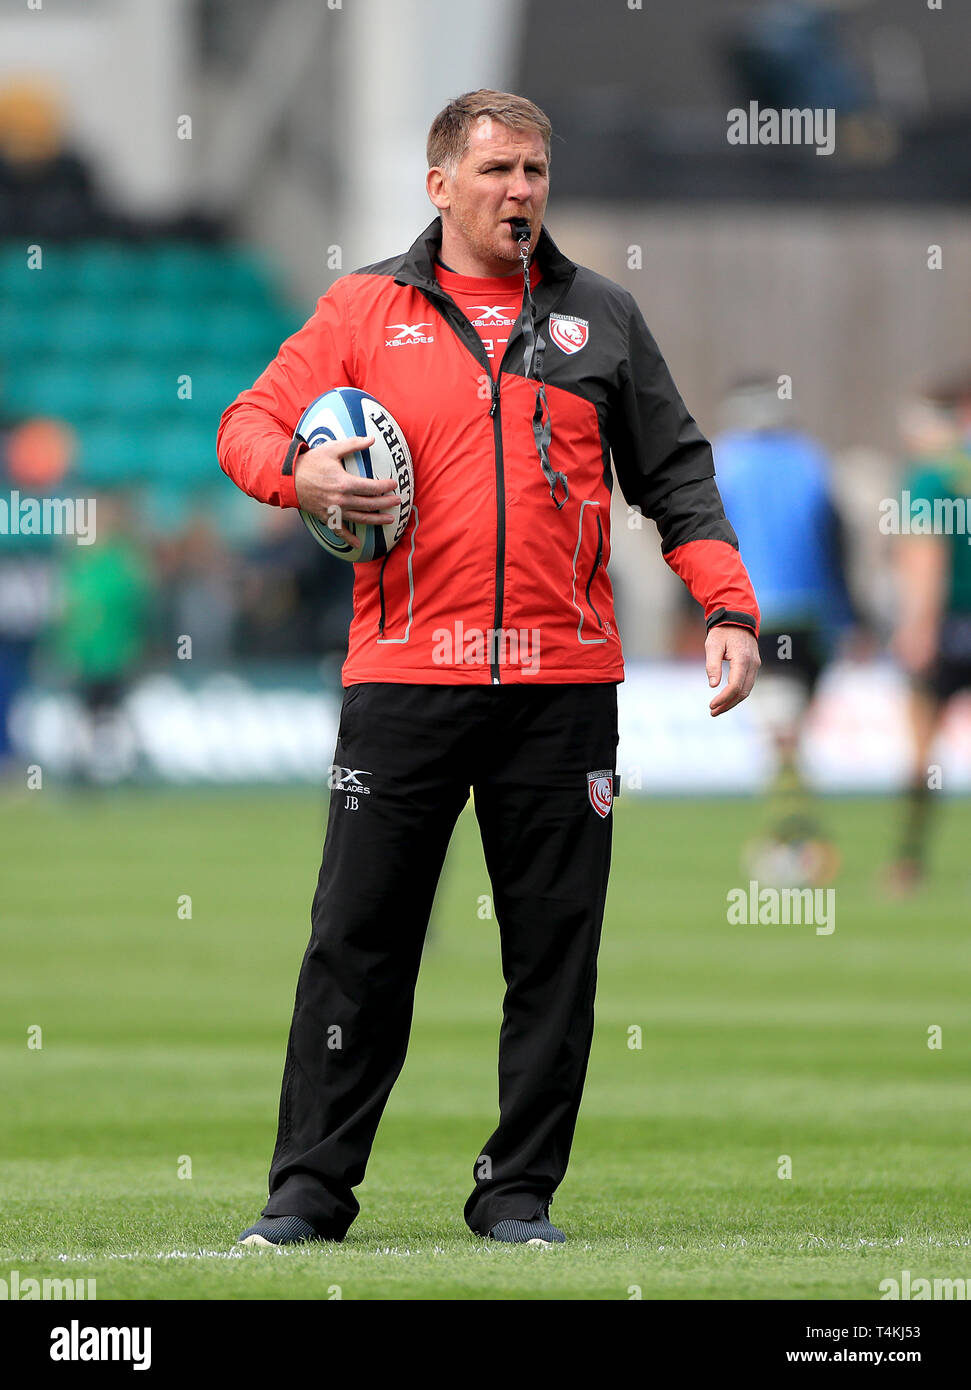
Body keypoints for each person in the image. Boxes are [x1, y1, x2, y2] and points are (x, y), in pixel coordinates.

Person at [217, 90, 760, 1249]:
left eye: (534, 172)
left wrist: (725, 605)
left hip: (562, 691)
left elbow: (674, 473)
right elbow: (248, 422)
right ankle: (308, 1194)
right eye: (499, 170)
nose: (520, 191)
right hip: (404, 680)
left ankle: (516, 1194)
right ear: (440, 185)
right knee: (355, 945)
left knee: (553, 952)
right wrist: (304, 473)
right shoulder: (363, 308)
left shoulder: (598, 317)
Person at [713, 375, 856, 883]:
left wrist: (691, 614)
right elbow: (838, 541)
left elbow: (699, 536)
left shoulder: (724, 462)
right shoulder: (811, 460)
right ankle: (796, 840)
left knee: (781, 737)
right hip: (812, 621)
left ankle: (794, 842)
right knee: (790, 735)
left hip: (752, 617)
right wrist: (851, 616)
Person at [888, 377, 971, 892]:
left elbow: (926, 558)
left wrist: (918, 628)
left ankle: (907, 866)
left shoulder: (928, 477)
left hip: (947, 628)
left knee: (921, 749)